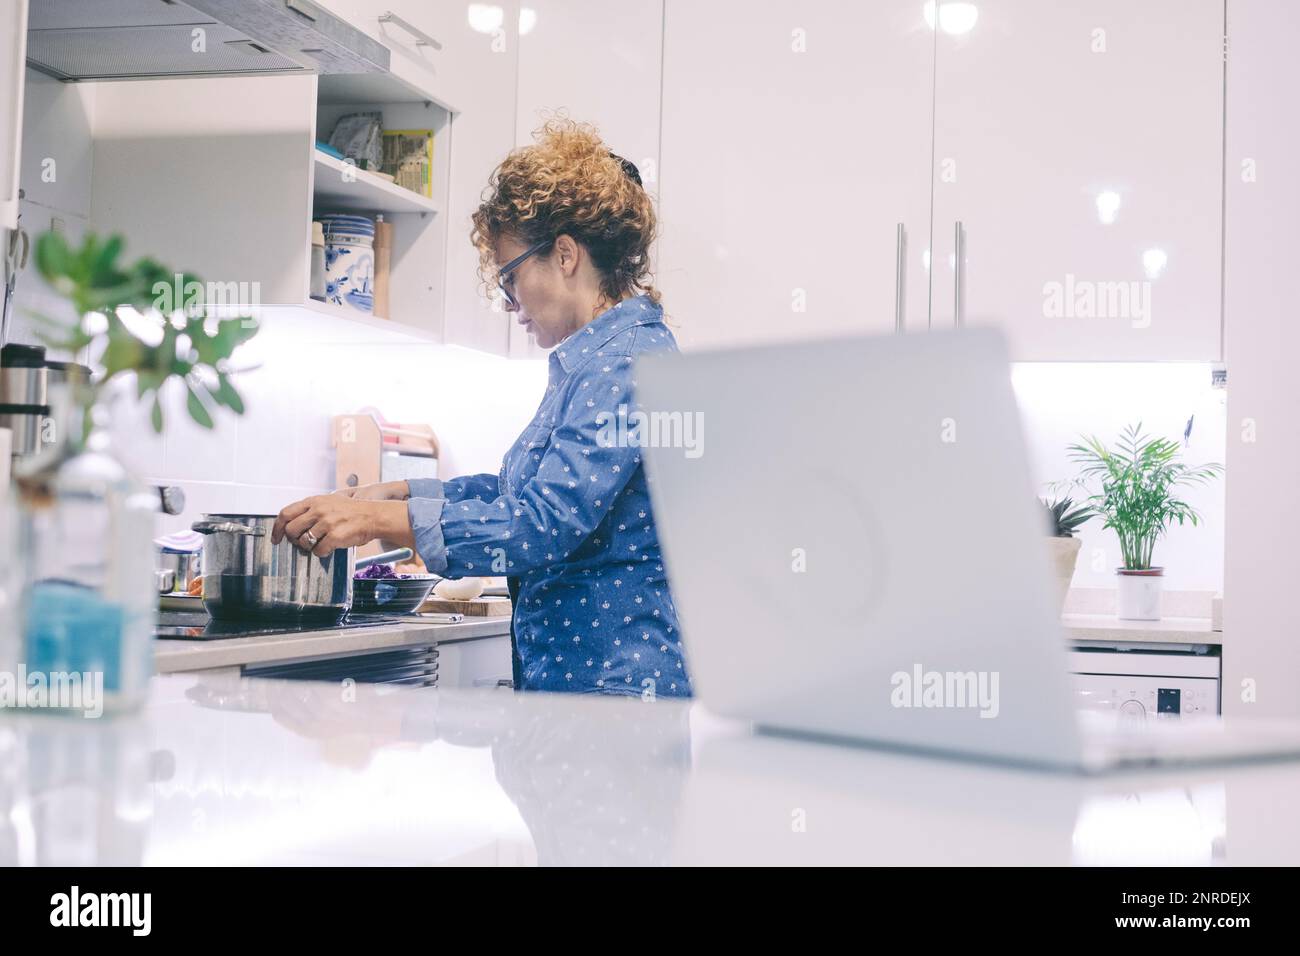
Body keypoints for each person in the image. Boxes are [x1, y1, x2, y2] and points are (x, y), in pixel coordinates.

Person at [272, 119, 692, 698]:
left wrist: (377, 522)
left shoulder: (623, 362)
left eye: (511, 276)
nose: (510, 301)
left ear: (565, 255)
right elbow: (526, 497)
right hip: (590, 684)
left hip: (615, 689)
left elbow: (543, 525)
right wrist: (404, 495)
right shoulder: (599, 359)